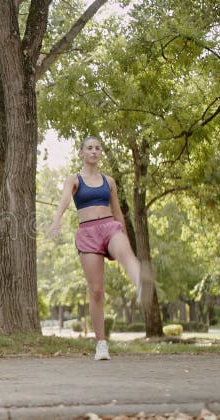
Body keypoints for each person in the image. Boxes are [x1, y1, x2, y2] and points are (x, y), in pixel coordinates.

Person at [49, 136, 141, 361]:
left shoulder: (109, 181)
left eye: (97, 148)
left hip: (110, 227)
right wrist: (56, 220)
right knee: (97, 290)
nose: (94, 151)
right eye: (89, 148)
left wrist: (125, 236)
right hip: (88, 234)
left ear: (100, 153)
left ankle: (141, 279)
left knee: (123, 250)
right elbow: (64, 200)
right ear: (81, 153)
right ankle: (101, 344)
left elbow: (117, 211)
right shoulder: (74, 179)